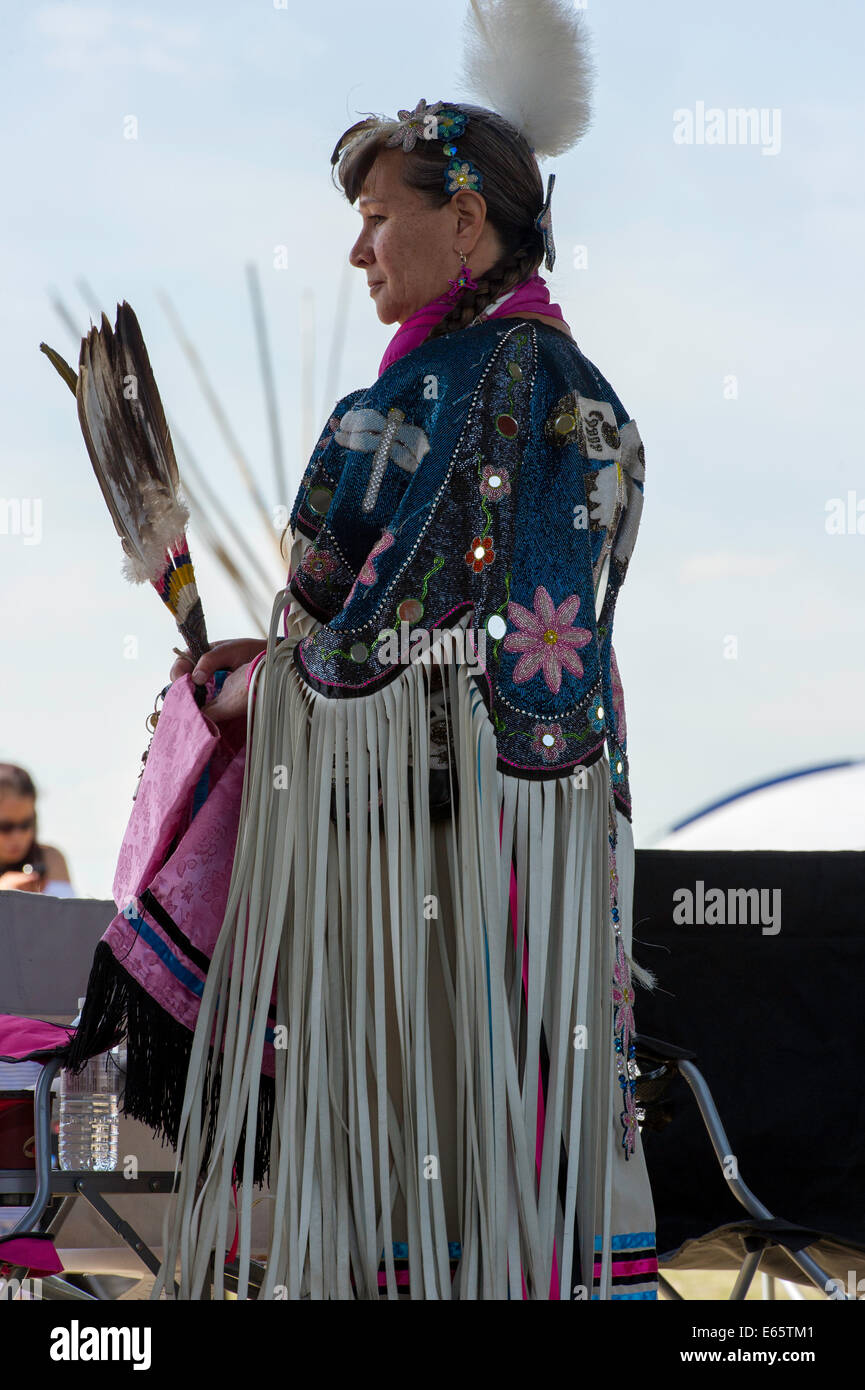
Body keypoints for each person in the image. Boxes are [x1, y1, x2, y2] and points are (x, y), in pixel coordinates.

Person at [160, 3, 657, 1301]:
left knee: (475, 1135)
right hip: (424, 830)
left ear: (471, 221)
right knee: (446, 1146)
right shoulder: (447, 386)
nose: (355, 246)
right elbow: (341, 598)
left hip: (477, 838)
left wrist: (270, 682)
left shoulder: (511, 386)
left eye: (381, 214)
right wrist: (267, 662)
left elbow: (421, 624)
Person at [0, 764, 74, 898]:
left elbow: (70, 917)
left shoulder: (50, 859)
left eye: (25, 824)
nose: (18, 837)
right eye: (6, 827)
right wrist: (4, 895)